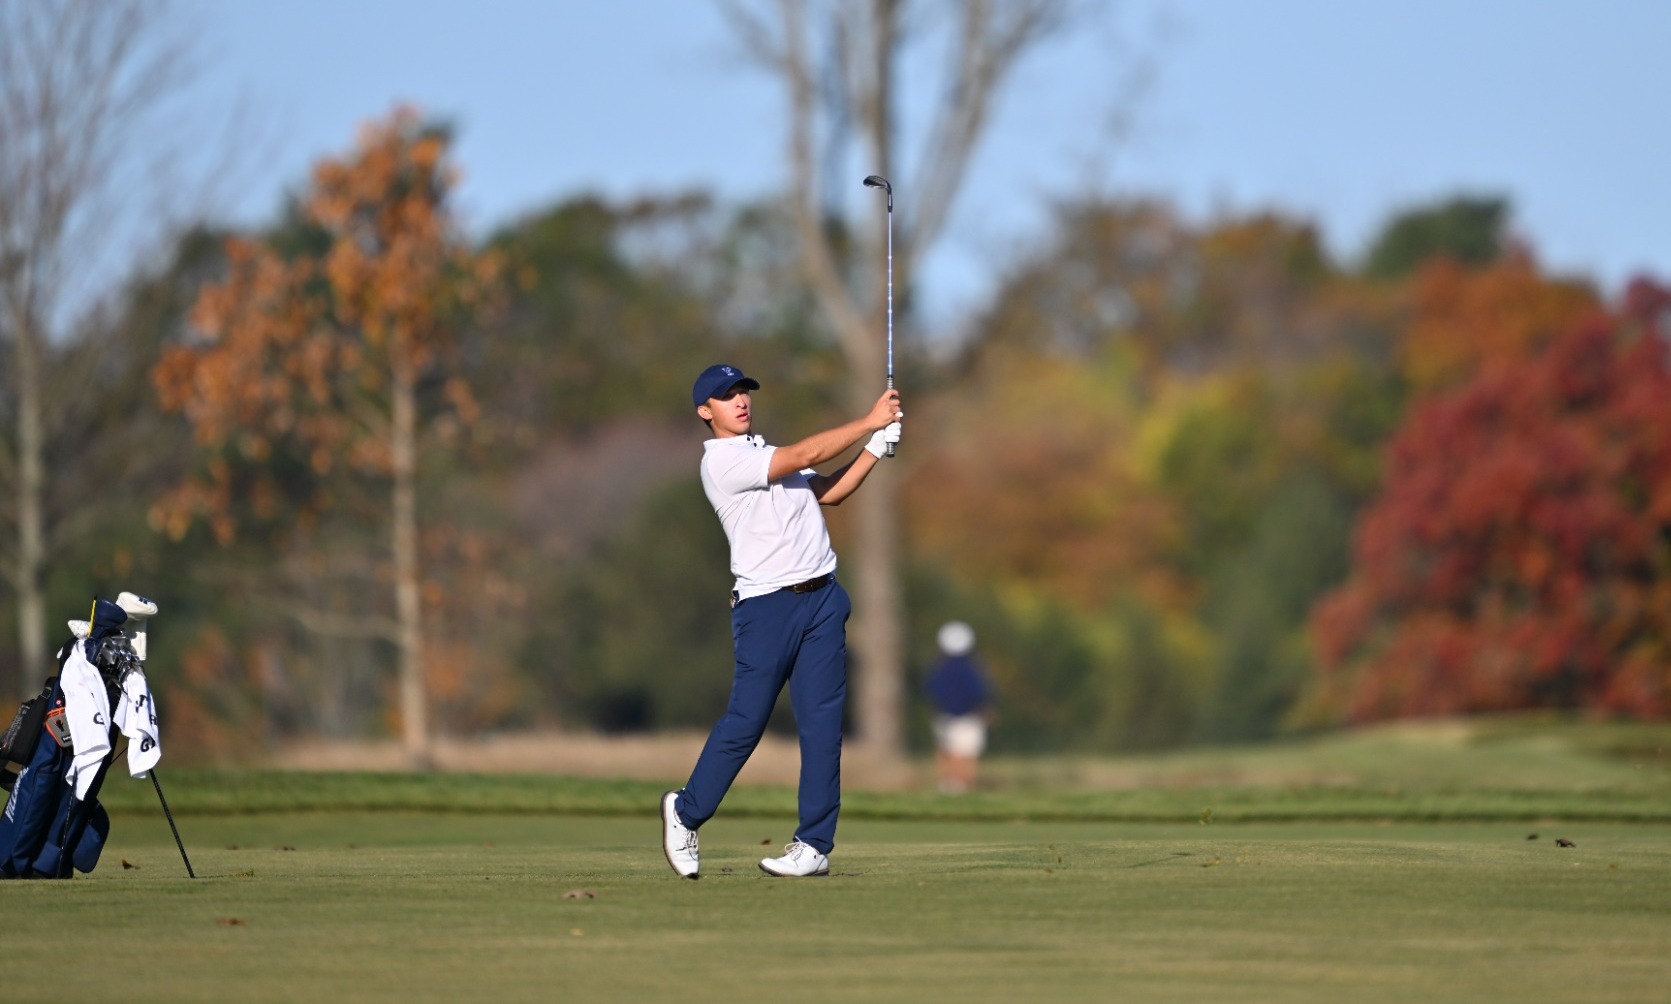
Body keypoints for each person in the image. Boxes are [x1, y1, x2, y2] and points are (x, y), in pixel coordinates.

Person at [661, 363, 902, 879]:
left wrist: (875, 449)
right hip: (766, 609)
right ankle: (685, 813)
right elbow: (805, 454)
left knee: (822, 728)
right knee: (746, 722)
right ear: (706, 412)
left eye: (744, 392)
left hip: (822, 600)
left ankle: (814, 844)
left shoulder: (763, 453)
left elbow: (830, 491)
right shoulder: (723, 463)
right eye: (727, 397)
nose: (741, 401)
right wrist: (869, 421)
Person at [925, 620, 995, 795]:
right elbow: (980, 693)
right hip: (969, 718)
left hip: (945, 717)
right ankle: (962, 789)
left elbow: (932, 692)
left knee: (948, 753)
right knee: (967, 756)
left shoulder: (939, 668)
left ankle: (950, 787)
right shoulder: (973, 668)